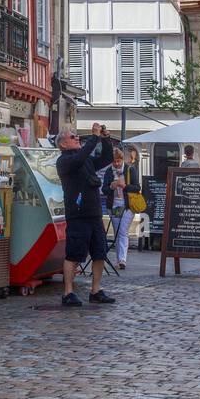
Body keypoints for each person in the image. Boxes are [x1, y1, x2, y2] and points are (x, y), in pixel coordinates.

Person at [55, 127, 114, 306]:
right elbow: (79, 158)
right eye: (73, 137)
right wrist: (94, 138)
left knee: (99, 253)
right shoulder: (65, 161)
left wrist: (105, 139)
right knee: (74, 255)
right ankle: (68, 293)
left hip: (94, 214)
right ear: (63, 144)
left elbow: (106, 159)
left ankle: (96, 290)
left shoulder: (85, 158)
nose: (77, 138)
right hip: (78, 215)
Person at [104, 147, 141, 269]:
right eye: (114, 162)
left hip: (127, 206)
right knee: (117, 231)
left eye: (118, 161)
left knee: (123, 231)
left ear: (122, 159)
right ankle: (119, 259)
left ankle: (122, 260)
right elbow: (104, 190)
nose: (116, 164)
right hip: (115, 205)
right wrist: (111, 187)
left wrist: (124, 186)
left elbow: (137, 188)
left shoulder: (130, 169)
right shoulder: (109, 171)